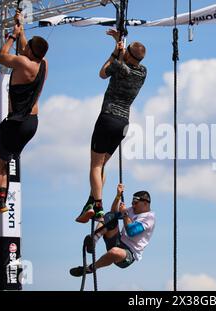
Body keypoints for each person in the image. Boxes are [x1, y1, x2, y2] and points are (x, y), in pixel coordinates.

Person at [0, 11, 48, 220]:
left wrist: (12, 36)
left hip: (17, 121)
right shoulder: (43, 64)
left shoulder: (23, 63)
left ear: (31, 53)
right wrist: (21, 28)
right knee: (6, 160)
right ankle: (1, 202)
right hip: (31, 123)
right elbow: (26, 49)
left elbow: (1, 56)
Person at [75, 29, 147, 223]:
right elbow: (128, 61)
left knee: (95, 165)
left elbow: (102, 73)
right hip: (123, 123)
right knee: (102, 165)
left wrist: (115, 52)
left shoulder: (119, 66)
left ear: (128, 56)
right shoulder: (142, 72)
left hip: (107, 118)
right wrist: (121, 45)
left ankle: (98, 207)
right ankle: (91, 201)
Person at [70, 183, 155, 275]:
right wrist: (118, 196)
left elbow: (131, 231)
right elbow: (112, 213)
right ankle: (94, 240)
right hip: (118, 241)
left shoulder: (149, 218)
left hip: (129, 253)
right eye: (132, 203)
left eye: (135, 203)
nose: (133, 205)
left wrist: (125, 214)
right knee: (109, 216)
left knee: (114, 252)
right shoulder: (132, 210)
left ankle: (90, 268)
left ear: (145, 203)